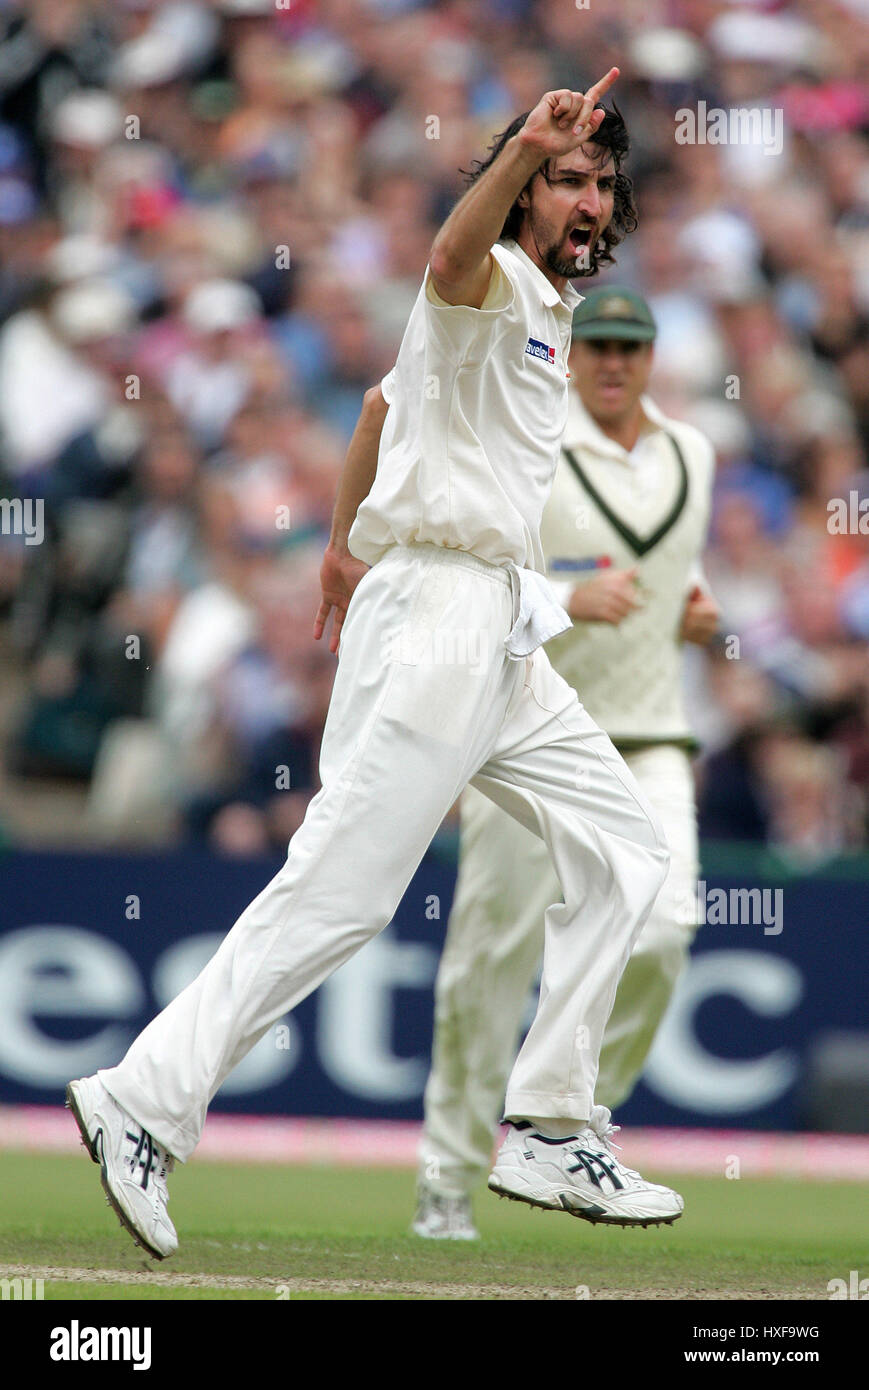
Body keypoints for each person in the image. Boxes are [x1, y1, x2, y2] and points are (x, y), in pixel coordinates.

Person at [66, 75, 684, 1262]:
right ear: (518, 194)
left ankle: (551, 1121)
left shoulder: (543, 308)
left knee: (629, 848)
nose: (586, 196)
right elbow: (449, 256)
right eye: (564, 177)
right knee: (345, 891)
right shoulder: (489, 279)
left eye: (600, 180)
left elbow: (372, 407)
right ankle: (140, 1102)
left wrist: (344, 550)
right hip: (447, 612)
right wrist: (520, 155)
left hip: (494, 619)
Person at [412, 288, 720, 1240]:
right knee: (490, 964)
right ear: (571, 353)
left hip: (650, 736)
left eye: (631, 345)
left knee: (665, 930)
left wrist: (697, 613)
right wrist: (569, 598)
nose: (613, 362)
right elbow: (480, 570)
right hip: (524, 733)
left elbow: (676, 574)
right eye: (598, 345)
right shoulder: (531, 444)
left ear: (653, 354)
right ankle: (449, 1175)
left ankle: (571, 1124)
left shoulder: (691, 454)